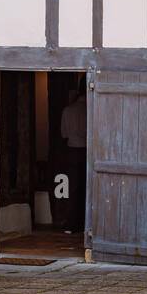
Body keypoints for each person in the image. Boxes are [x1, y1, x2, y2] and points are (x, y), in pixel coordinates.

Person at [57, 79, 88, 233]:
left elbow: (64, 134)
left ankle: (70, 223)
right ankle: (85, 223)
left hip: (71, 151)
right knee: (87, 188)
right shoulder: (89, 110)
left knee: (72, 188)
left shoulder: (67, 110)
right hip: (87, 151)